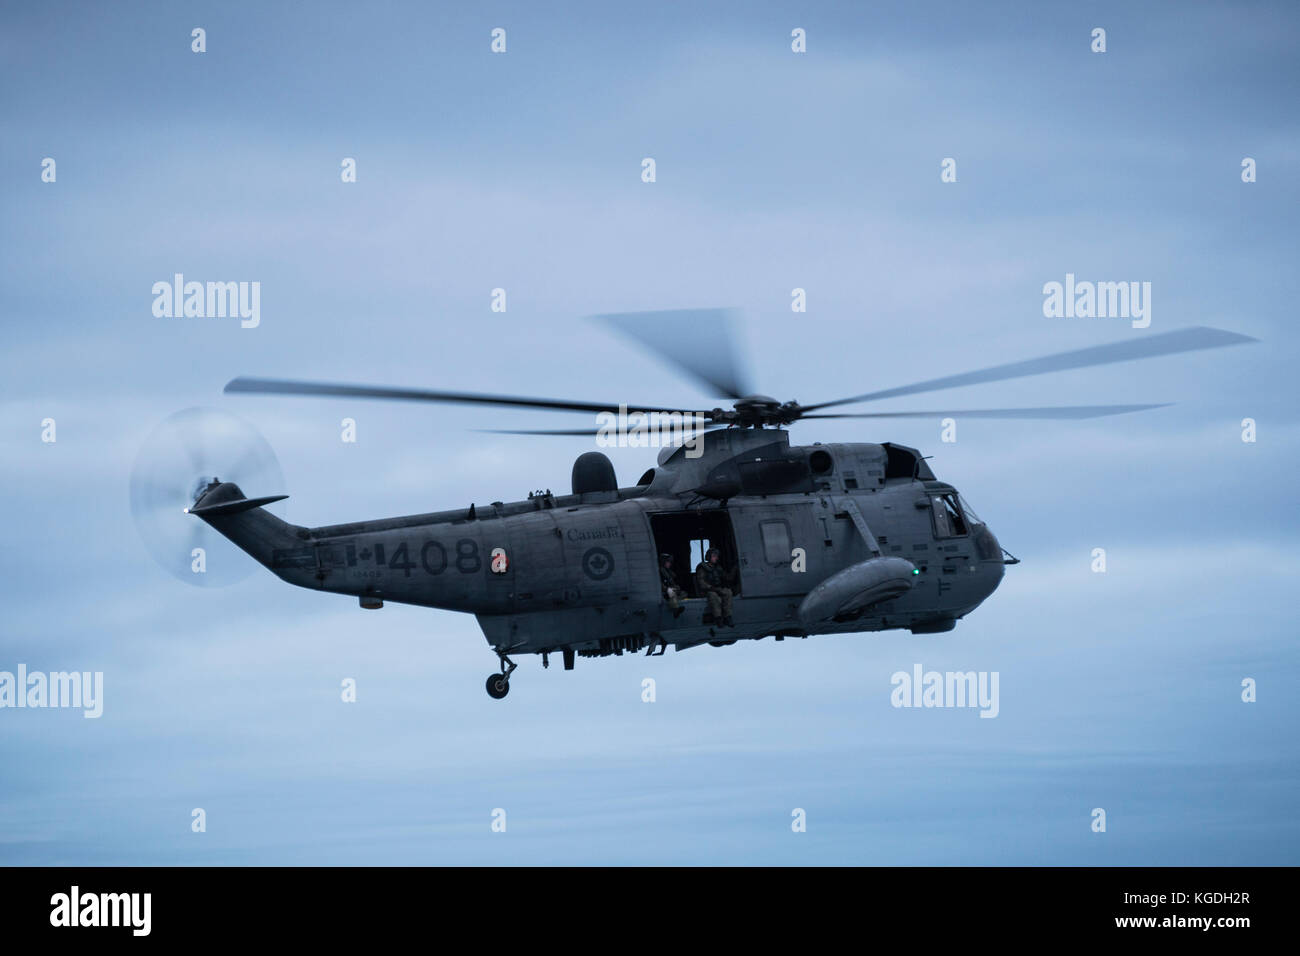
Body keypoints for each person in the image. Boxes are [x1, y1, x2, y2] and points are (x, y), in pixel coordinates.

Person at [695, 547, 734, 627]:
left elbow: (727, 577)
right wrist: (711, 588)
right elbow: (701, 582)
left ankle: (727, 617)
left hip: (717, 589)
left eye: (717, 556)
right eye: (714, 556)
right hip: (707, 590)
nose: (716, 558)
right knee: (713, 595)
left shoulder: (718, 568)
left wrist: (735, 569)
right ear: (709, 557)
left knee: (728, 592)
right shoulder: (703, 568)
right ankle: (718, 618)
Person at [659, 553, 686, 618]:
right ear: (663, 562)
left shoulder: (668, 571)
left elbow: (672, 582)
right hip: (665, 591)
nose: (669, 564)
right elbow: (661, 584)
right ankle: (675, 610)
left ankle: (673, 601)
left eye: (670, 562)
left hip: (671, 590)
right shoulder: (660, 572)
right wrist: (667, 588)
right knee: (671, 592)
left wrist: (676, 587)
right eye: (668, 562)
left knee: (684, 594)